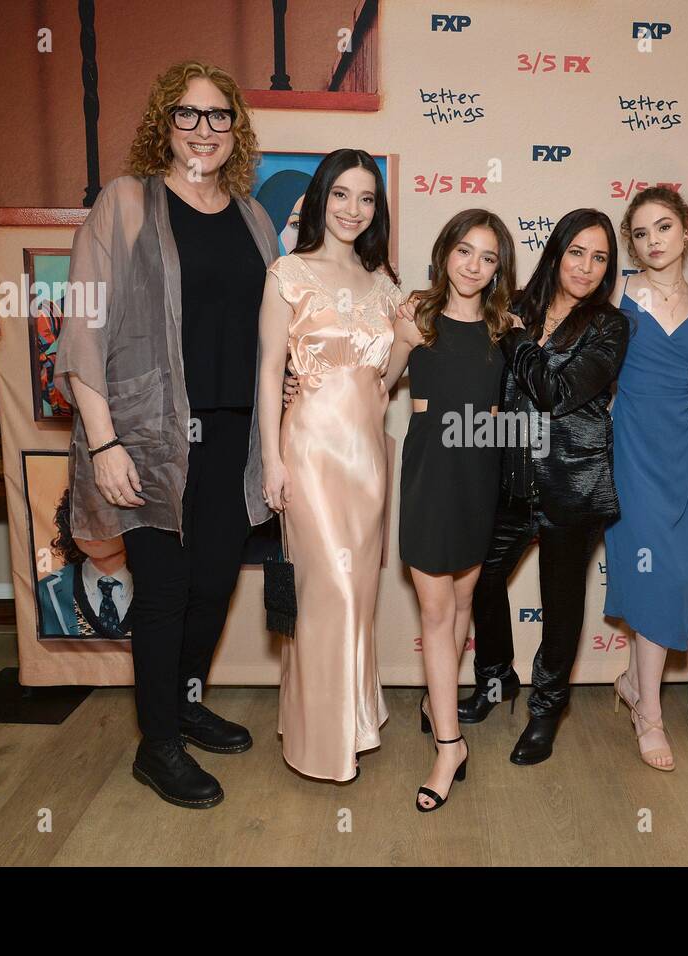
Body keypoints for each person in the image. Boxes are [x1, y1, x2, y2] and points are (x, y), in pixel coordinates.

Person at [54, 61, 279, 808]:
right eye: (188, 113)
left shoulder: (253, 216)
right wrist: (104, 442)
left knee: (213, 585)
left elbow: (273, 333)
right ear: (165, 122)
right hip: (147, 436)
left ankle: (182, 704)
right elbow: (82, 330)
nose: (203, 129)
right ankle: (157, 747)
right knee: (163, 592)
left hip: (233, 434)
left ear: (235, 130)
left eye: (218, 116)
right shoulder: (123, 203)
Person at [457, 209, 629, 766]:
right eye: (576, 252)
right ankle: (494, 678)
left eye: (599, 257)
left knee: (560, 606)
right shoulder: (518, 305)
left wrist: (515, 338)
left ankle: (547, 708)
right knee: (480, 580)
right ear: (556, 251)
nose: (585, 266)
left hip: (572, 483)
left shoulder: (609, 326)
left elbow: (556, 392)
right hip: (510, 477)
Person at [256, 148, 405, 783]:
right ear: (320, 199)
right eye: (341, 194)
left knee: (359, 596)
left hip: (368, 461)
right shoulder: (286, 274)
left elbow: (384, 382)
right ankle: (322, 742)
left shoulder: (386, 285)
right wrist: (271, 459)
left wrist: (407, 342)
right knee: (328, 595)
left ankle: (351, 718)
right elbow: (267, 371)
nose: (352, 209)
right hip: (309, 453)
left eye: (366, 198)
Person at [382, 209, 516, 811]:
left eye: (488, 258)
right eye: (466, 251)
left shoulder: (503, 328)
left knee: (462, 602)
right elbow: (376, 384)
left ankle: (439, 703)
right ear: (445, 251)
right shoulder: (417, 317)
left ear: (498, 270)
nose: (474, 266)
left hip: (478, 474)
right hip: (431, 475)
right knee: (438, 612)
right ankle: (449, 745)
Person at [605, 187, 688, 771]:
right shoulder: (617, 292)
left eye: (663, 227)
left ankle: (632, 681)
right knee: (649, 572)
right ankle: (650, 715)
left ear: (687, 228)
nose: (652, 242)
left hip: (685, 452)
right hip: (632, 449)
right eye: (641, 233)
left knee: (677, 578)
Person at [36, 489, 133, 640]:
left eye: (105, 516)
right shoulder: (46, 590)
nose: (90, 528)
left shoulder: (160, 585)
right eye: (80, 516)